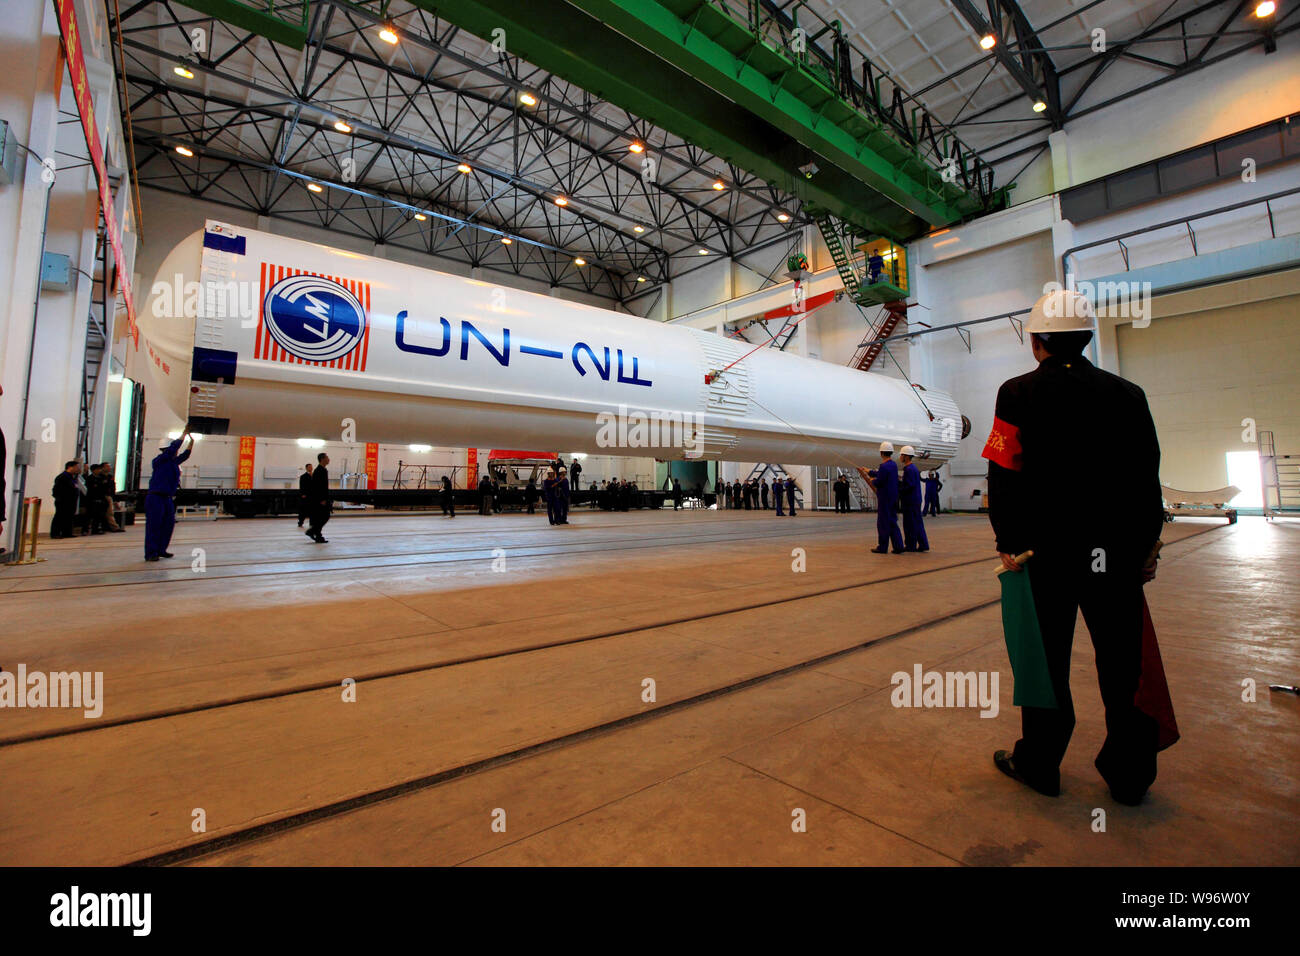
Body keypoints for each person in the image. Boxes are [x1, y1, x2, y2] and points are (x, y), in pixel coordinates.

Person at [987, 289, 1167, 806]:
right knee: (1121, 665)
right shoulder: (1128, 395)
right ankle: (1130, 777)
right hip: (1113, 556)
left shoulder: (1015, 394)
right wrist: (1146, 545)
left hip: (1045, 557)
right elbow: (1145, 476)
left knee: (1045, 663)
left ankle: (1040, 765)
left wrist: (1010, 541)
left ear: (1036, 340)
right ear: (1086, 338)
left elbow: (1003, 471)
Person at [144, 435, 192, 559]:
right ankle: (151, 553)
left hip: (167, 498)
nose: (176, 452)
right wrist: (184, 433)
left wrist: (192, 442)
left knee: (167, 525)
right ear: (167, 449)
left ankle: (161, 550)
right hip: (156, 497)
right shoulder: (159, 460)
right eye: (175, 450)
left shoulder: (173, 462)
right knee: (154, 526)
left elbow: (185, 455)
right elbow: (174, 448)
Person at [866, 442, 903, 553]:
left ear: (881, 453)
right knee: (892, 522)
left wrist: (873, 480)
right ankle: (898, 546)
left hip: (884, 498)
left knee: (883, 523)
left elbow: (880, 480)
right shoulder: (893, 465)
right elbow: (883, 474)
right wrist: (869, 471)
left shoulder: (883, 466)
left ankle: (882, 547)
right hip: (892, 498)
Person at [899, 446, 929, 552]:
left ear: (906, 457)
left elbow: (909, 485)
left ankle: (911, 545)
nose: (900, 457)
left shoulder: (909, 469)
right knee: (917, 523)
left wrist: (899, 488)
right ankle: (923, 544)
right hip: (915, 500)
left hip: (910, 501)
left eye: (901, 455)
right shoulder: (913, 468)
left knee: (910, 524)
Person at [51, 460, 83, 539]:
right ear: (70, 467)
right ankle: (55, 533)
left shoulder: (72, 477)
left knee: (69, 517)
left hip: (71, 501)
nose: (78, 469)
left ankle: (67, 532)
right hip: (63, 501)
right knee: (60, 517)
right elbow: (56, 490)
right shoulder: (62, 477)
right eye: (76, 467)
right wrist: (60, 498)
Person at [305, 451, 332, 543]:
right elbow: (318, 486)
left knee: (321, 517)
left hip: (321, 498)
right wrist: (322, 499)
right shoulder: (319, 471)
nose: (329, 459)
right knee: (324, 516)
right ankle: (312, 531)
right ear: (322, 459)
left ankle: (318, 535)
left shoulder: (322, 470)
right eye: (327, 457)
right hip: (319, 499)